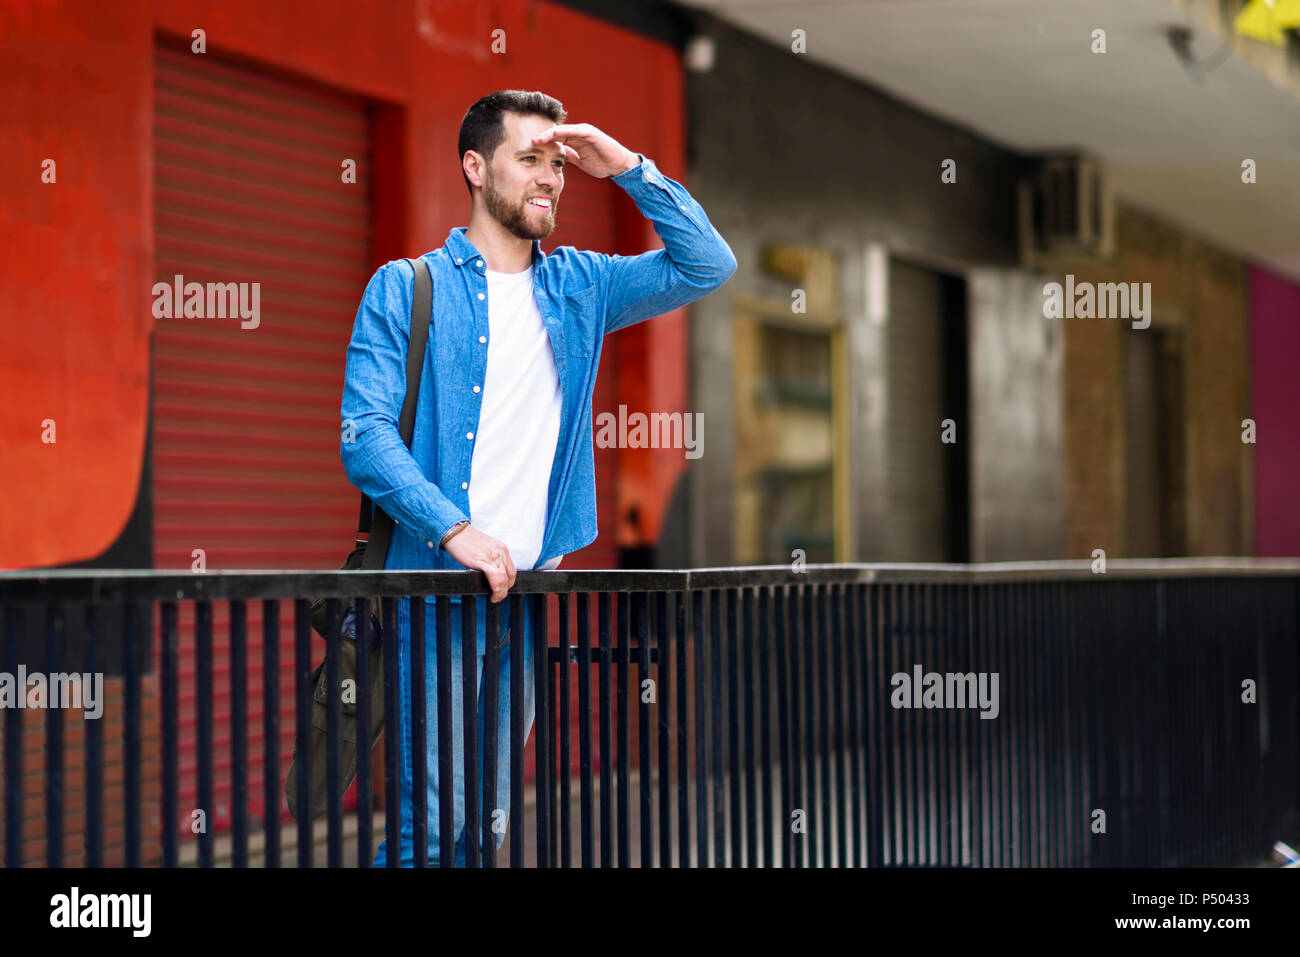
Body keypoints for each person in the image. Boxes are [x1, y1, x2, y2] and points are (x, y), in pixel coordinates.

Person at [339, 89, 736, 867]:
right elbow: (364, 436)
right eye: (530, 159)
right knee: (434, 822)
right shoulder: (408, 286)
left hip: (524, 598)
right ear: (475, 167)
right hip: (435, 592)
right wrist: (456, 531)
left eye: (557, 164)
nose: (550, 177)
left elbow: (708, 264)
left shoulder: (580, 287)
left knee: (486, 821)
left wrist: (626, 168)